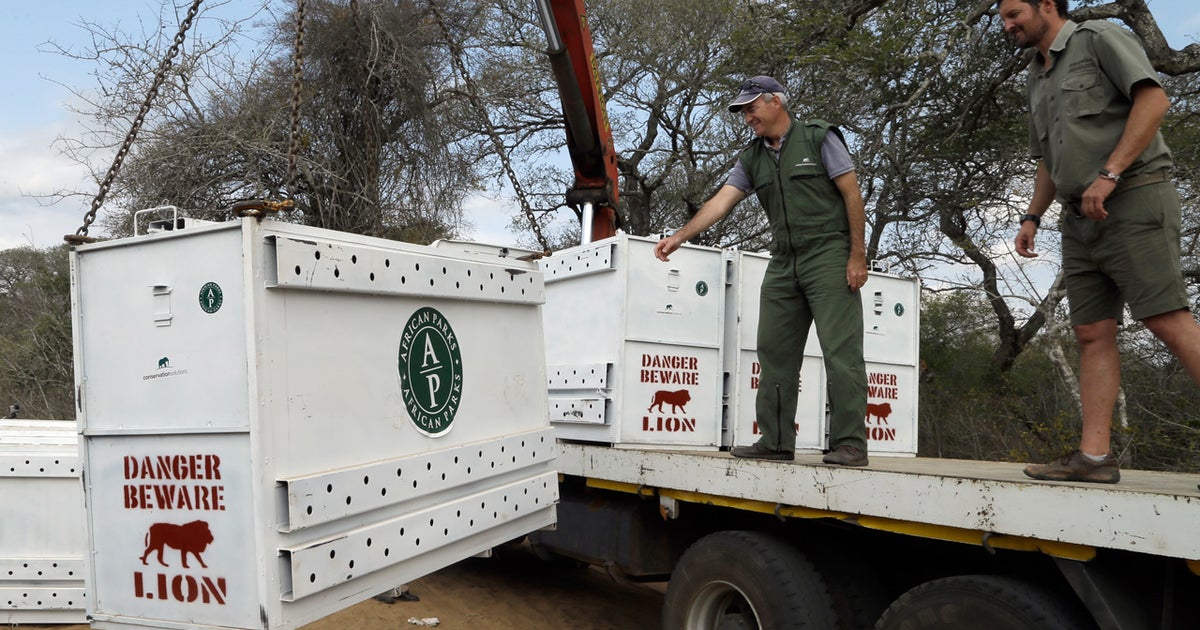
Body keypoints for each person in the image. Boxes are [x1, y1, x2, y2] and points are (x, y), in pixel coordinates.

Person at [1000, 0, 1200, 483]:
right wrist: (1032, 215)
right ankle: (1094, 459)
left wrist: (1109, 175)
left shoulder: (1099, 38)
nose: (1007, 26)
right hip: (1078, 218)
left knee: (1167, 320)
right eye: (1002, 18)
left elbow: (1154, 101)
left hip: (1133, 198)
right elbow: (1049, 157)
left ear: (1047, 5)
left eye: (1012, 14)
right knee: (1091, 333)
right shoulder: (1036, 74)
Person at [653, 76, 870, 465]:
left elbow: (852, 193)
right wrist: (679, 236)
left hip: (829, 254)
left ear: (775, 102)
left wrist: (857, 255)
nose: (747, 117)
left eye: (752, 108)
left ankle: (850, 443)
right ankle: (776, 441)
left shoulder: (819, 138)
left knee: (841, 351)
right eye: (742, 111)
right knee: (774, 352)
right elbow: (722, 202)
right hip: (784, 260)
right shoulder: (752, 157)